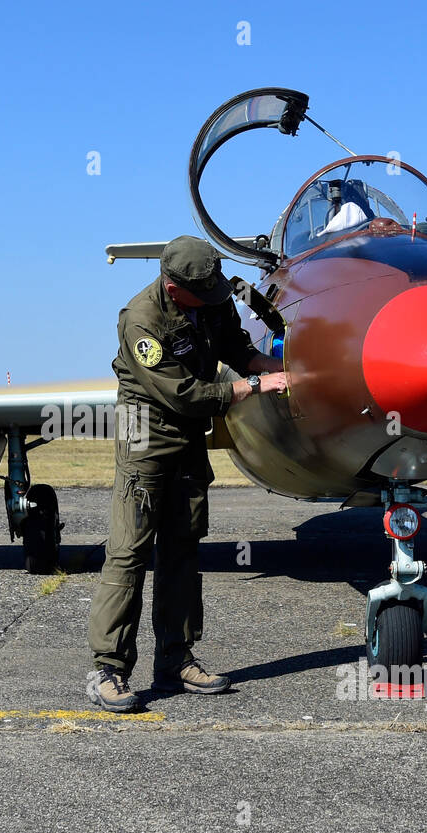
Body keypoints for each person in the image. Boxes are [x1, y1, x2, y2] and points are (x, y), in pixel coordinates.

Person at [86, 235, 288, 711]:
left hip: (187, 431)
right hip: (145, 426)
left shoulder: (212, 297)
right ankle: (107, 670)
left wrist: (288, 371)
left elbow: (239, 351)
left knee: (182, 546)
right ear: (176, 289)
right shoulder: (142, 319)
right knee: (130, 549)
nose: (218, 296)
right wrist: (257, 386)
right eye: (206, 291)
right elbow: (187, 394)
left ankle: (175, 659)